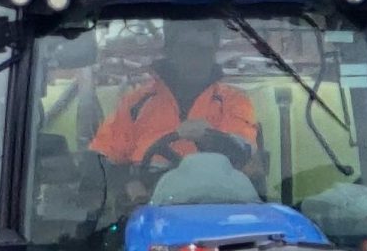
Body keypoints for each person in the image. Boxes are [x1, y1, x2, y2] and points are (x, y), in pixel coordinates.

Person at [88, 20, 258, 193]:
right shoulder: (135, 104)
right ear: (170, 52)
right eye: (187, 50)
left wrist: (210, 138)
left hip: (218, 204)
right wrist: (129, 184)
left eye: (204, 51)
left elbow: (241, 152)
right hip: (149, 205)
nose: (196, 59)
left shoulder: (234, 101)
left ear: (214, 52)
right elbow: (103, 161)